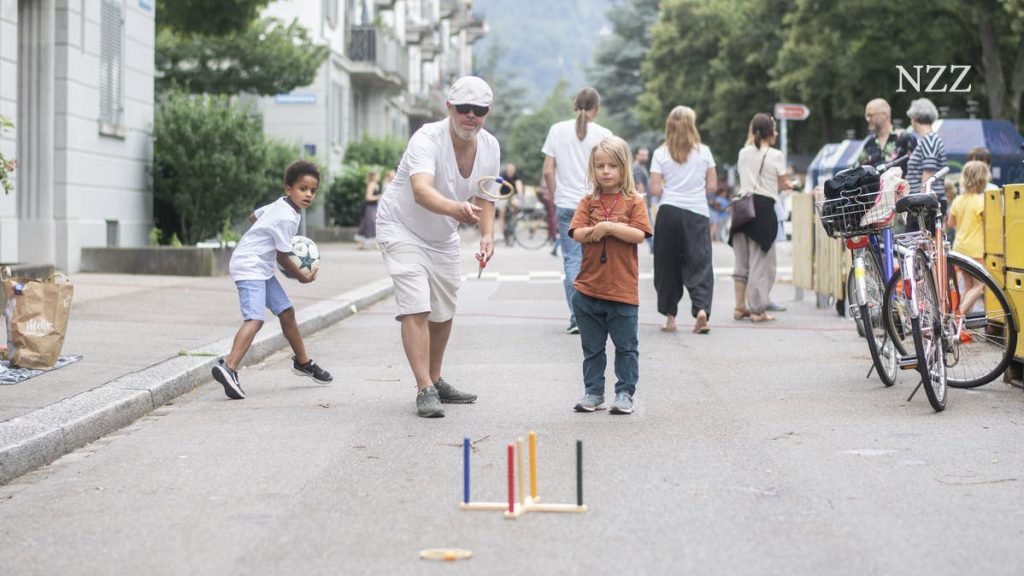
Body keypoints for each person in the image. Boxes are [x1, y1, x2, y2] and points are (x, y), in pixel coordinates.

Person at [374, 76, 498, 418]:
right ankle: (423, 387)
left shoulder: (490, 147)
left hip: (442, 234)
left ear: (487, 112)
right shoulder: (427, 138)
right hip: (400, 227)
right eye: (464, 109)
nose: (471, 116)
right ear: (449, 108)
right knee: (416, 304)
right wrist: (457, 209)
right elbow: (421, 191)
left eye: (479, 110)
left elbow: (486, 195)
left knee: (443, 310)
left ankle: (436, 377)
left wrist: (488, 235)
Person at [212, 160, 333, 400]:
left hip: (260, 267)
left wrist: (263, 237)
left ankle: (303, 362)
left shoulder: (282, 205)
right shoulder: (286, 217)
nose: (308, 194)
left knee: (286, 312)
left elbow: (253, 217)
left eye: (312, 190)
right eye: (302, 188)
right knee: (255, 319)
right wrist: (303, 278)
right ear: (289, 189)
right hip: (250, 267)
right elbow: (284, 256)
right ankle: (229, 366)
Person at [568, 136, 652, 414]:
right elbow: (577, 233)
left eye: (612, 165)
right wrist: (595, 231)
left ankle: (625, 393)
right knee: (592, 349)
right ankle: (593, 392)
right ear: (592, 169)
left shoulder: (634, 202)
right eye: (600, 165)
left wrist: (609, 226)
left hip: (622, 292)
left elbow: (639, 234)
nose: (605, 171)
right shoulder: (587, 202)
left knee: (626, 348)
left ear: (623, 168)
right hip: (588, 290)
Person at [542, 87, 614, 334]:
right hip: (595, 204)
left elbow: (548, 170)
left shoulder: (557, 130)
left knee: (572, 259)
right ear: (597, 108)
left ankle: (577, 316)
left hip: (566, 205)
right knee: (597, 260)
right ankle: (596, 313)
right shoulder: (604, 135)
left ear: (575, 105)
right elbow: (612, 171)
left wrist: (556, 195)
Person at [649, 106, 717, 334]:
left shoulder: (660, 153)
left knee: (667, 265)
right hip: (697, 212)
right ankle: (701, 311)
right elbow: (713, 187)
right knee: (700, 263)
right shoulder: (704, 152)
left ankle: (670, 319)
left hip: (669, 212)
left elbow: (656, 190)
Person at [730, 113, 788, 323]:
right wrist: (790, 185)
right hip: (763, 211)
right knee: (760, 264)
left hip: (742, 209)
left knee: (741, 263)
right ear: (770, 132)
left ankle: (739, 307)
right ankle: (757, 311)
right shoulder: (776, 155)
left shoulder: (743, 153)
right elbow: (782, 184)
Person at [946, 160, 990, 315]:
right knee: (980, 285)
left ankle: (961, 323)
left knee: (969, 286)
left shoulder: (958, 200)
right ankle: (959, 316)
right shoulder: (981, 201)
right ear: (982, 179)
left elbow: (950, 223)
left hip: (960, 248)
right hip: (975, 250)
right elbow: (988, 225)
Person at [904, 98, 947, 231]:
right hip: (926, 203)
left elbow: (928, 174)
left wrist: (920, 202)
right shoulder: (929, 140)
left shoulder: (929, 141)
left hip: (925, 205)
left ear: (915, 118)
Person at [859, 98, 915, 169]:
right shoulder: (869, 143)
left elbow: (916, 171)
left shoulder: (906, 138)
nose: (867, 119)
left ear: (884, 115)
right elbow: (859, 172)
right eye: (866, 116)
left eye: (870, 115)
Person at [497, 162, 523, 245]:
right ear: (507, 169)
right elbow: (499, 185)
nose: (511, 171)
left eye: (512, 169)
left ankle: (514, 218)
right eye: (509, 169)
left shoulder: (516, 176)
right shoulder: (503, 175)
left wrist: (520, 194)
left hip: (513, 195)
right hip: (503, 196)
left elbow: (519, 185)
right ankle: (501, 233)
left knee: (516, 204)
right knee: (502, 212)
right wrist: (497, 193)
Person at [357, 170, 383, 249]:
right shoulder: (371, 185)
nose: (379, 177)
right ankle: (370, 243)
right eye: (378, 175)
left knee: (367, 223)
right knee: (371, 223)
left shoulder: (376, 184)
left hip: (374, 206)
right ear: (374, 176)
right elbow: (368, 197)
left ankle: (361, 244)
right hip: (370, 207)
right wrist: (378, 197)